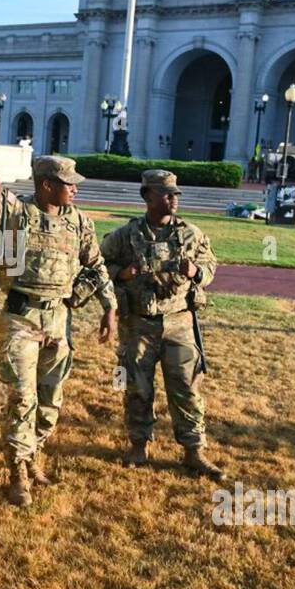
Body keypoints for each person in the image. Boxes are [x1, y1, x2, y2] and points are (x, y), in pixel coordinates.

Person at [0, 157, 117, 507]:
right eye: (68, 183)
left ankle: (33, 451)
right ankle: (18, 470)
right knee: (23, 397)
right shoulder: (16, 214)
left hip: (58, 321)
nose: (75, 188)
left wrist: (110, 307)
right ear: (46, 184)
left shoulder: (79, 221)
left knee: (50, 401)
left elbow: (96, 265)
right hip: (22, 318)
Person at [101, 170, 225, 480]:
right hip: (138, 324)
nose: (173, 199)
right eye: (166, 193)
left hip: (179, 322)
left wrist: (196, 270)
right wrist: (122, 274)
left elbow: (210, 269)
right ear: (148, 196)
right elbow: (98, 265)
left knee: (186, 387)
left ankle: (194, 451)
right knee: (137, 386)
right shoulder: (125, 235)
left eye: (175, 194)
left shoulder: (191, 234)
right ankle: (139, 444)